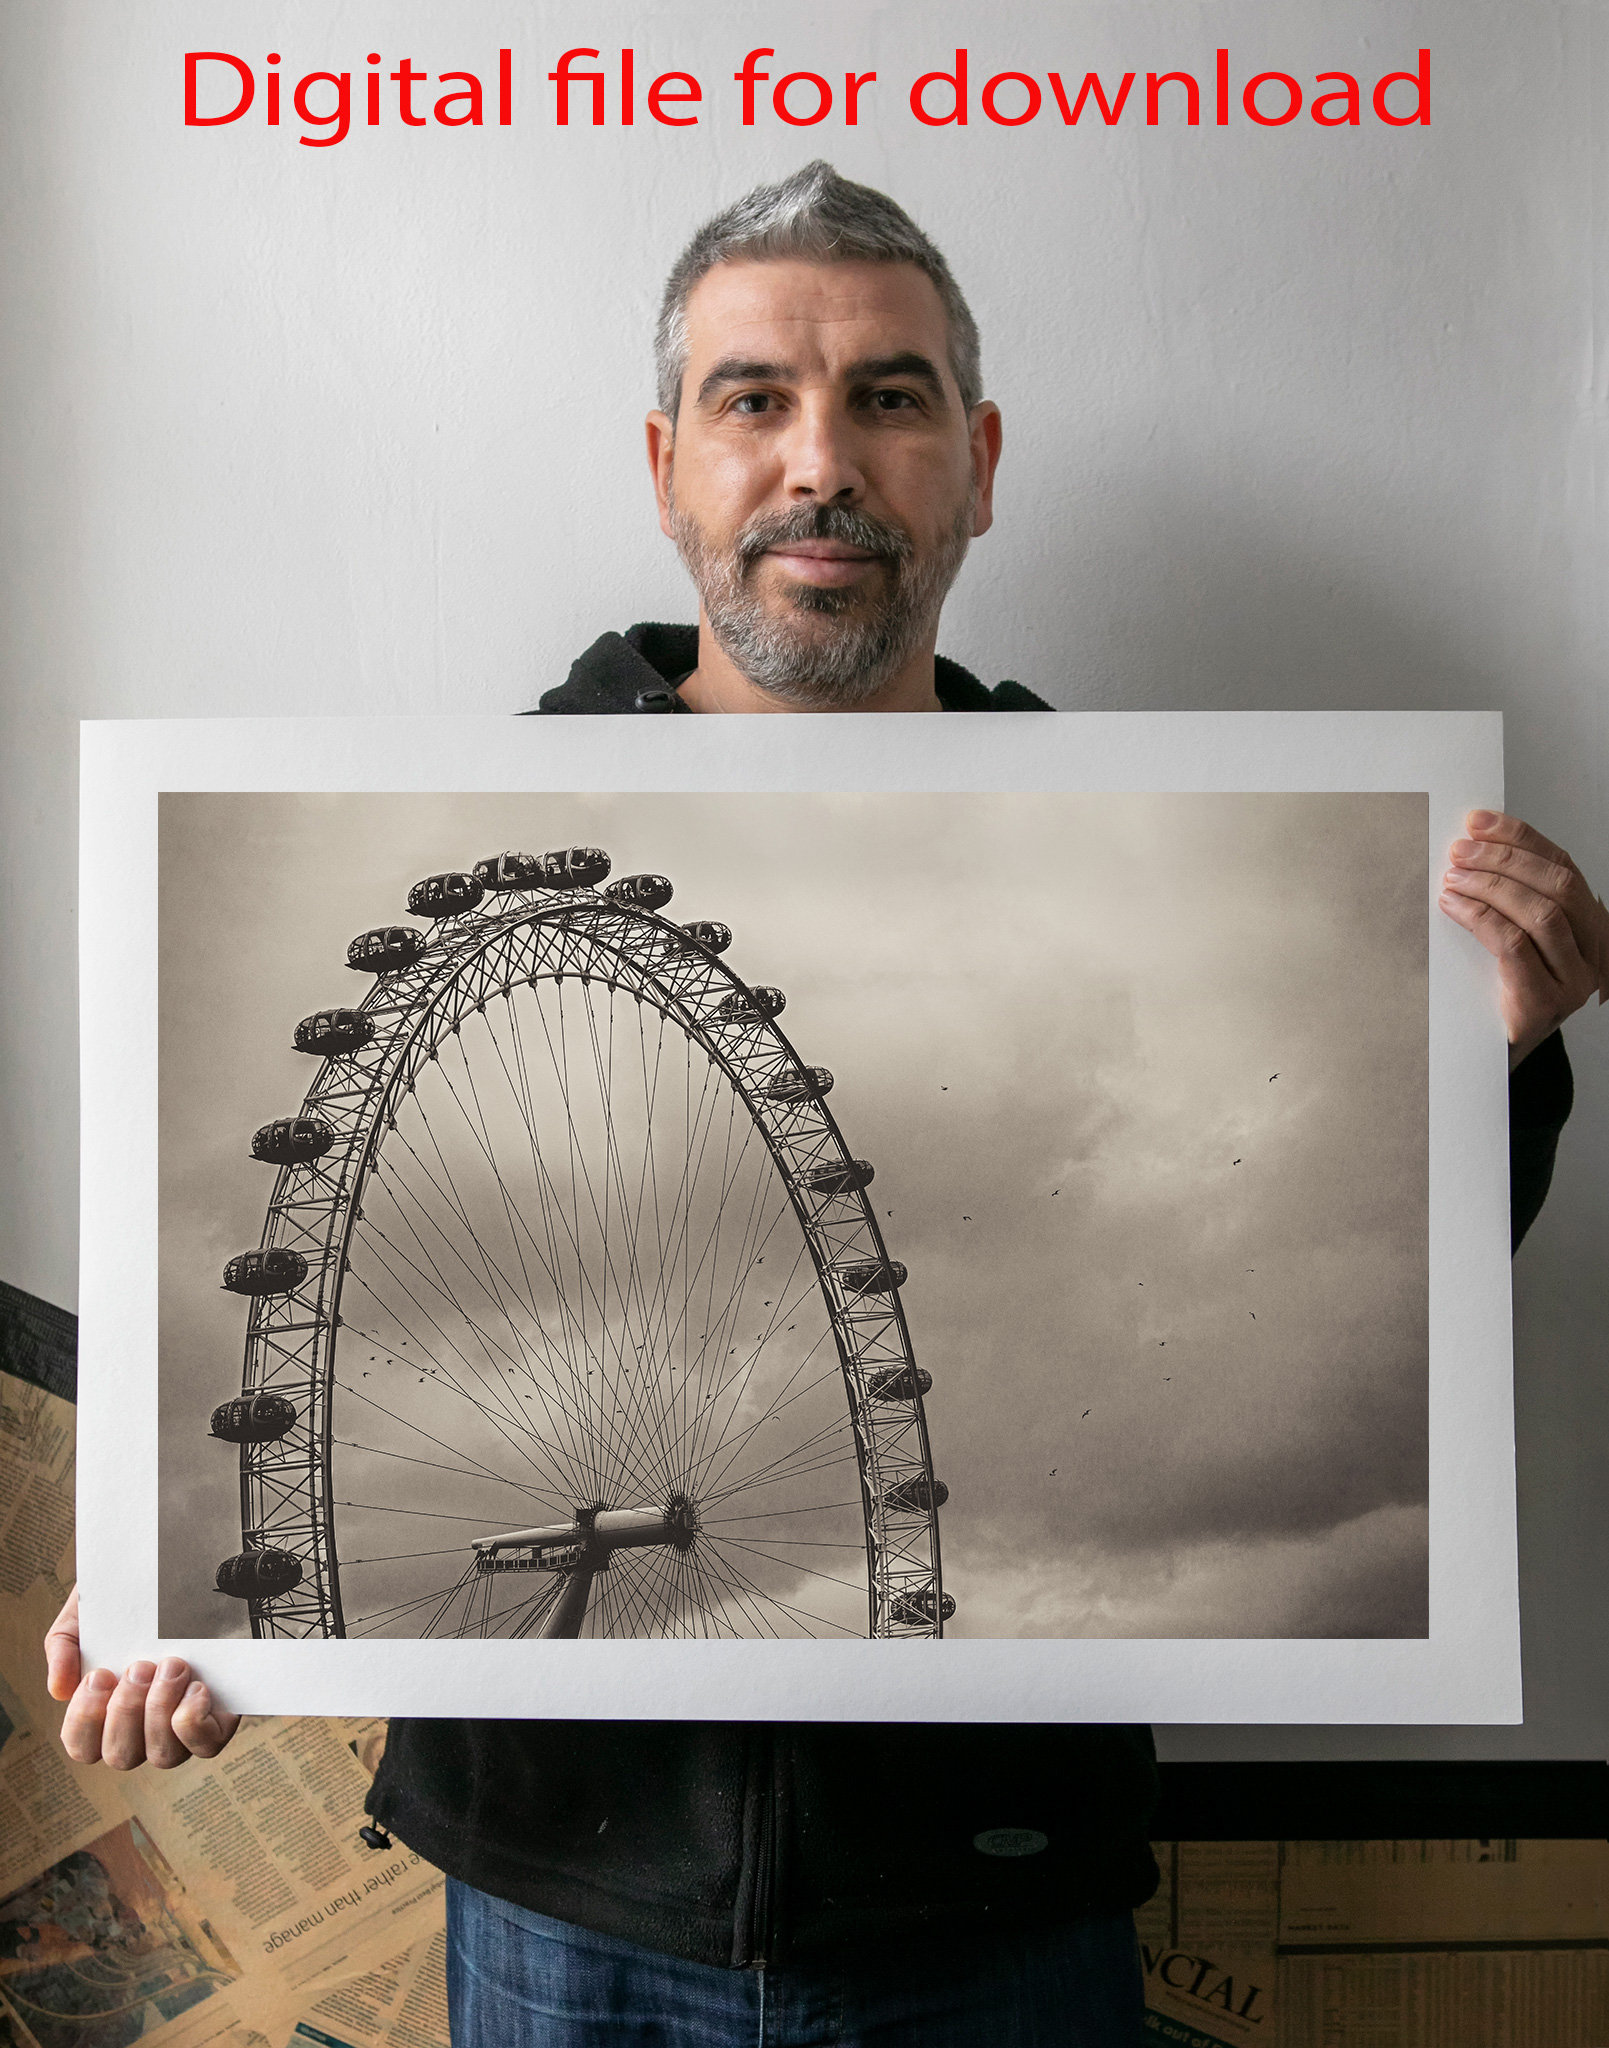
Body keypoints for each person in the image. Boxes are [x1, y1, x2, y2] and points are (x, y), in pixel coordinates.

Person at [47, 163, 1603, 2046]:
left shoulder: (1173, 855)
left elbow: (1367, 1305)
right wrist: (169, 1577)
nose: (820, 463)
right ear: (663, 463)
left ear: (978, 457)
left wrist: (1500, 1049)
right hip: (565, 1901)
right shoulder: (452, 807)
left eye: (888, 395)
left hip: (995, 1894)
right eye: (754, 399)